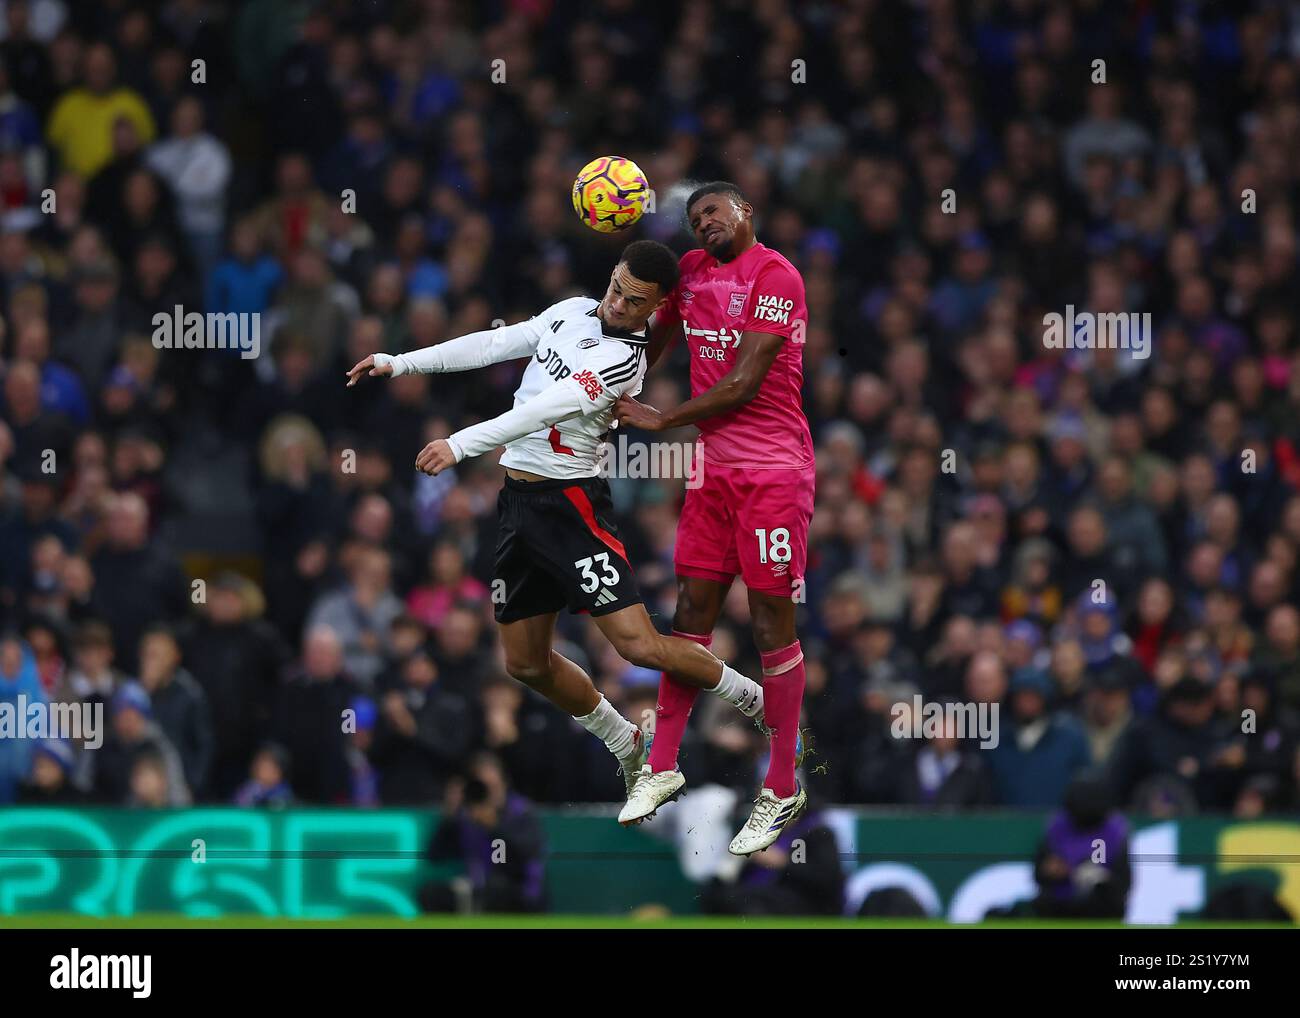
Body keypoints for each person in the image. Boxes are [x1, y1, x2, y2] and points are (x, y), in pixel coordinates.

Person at [346, 239, 773, 816]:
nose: (619, 304)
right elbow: (495, 343)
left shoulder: (625, 358)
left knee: (638, 647)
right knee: (524, 664)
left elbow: (544, 409)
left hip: (571, 506)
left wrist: (459, 443)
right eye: (618, 287)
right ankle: (625, 740)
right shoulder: (573, 309)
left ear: (655, 309)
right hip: (518, 505)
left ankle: (758, 700)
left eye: (635, 301)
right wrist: (400, 361)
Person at [614, 182, 814, 853]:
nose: (705, 225)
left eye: (715, 213)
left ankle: (782, 784)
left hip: (773, 474)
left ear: (745, 213)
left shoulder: (776, 274)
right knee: (690, 613)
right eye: (696, 219)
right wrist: (618, 380)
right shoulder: (692, 273)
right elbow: (655, 339)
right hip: (713, 475)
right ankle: (661, 764)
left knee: (766, 623)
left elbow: (744, 381)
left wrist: (662, 418)